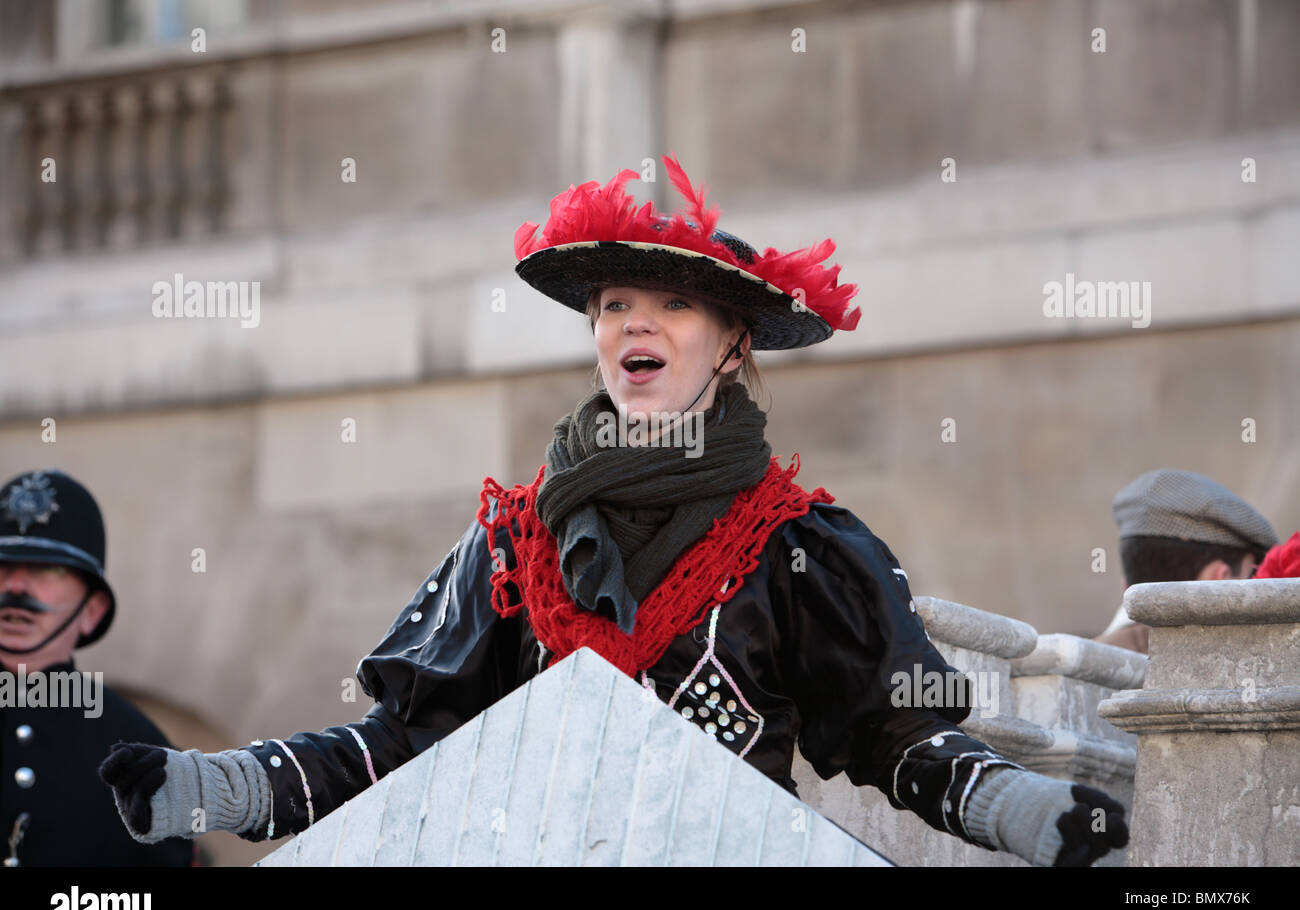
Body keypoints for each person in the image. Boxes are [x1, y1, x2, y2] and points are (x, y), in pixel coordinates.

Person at [100, 154, 1127, 866]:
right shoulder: (512, 540)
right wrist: (215, 788)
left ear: (733, 343)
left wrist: (1024, 807)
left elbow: (892, 739)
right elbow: (402, 746)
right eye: (612, 306)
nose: (634, 321)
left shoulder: (801, 546)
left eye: (672, 302)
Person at [0, 469, 193, 866]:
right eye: (3, 567)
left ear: (92, 611)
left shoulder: (138, 749)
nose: (15, 586)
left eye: (46, 570)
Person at [1094, 469, 1278, 654]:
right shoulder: (1248, 669)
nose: (1257, 589)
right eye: (1252, 574)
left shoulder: (1073, 666)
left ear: (1126, 587)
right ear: (1221, 580)